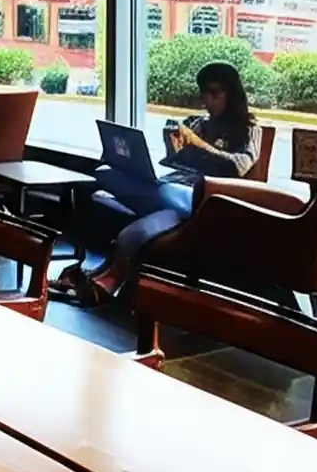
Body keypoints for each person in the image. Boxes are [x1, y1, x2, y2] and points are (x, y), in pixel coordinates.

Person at [53, 61, 262, 303]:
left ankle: (96, 277)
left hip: (203, 199)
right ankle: (103, 281)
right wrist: (172, 145)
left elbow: (240, 166)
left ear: (232, 93)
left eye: (214, 93)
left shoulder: (248, 128)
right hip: (175, 198)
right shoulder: (198, 123)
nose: (207, 100)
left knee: (163, 193)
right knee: (105, 174)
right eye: (204, 93)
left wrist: (199, 145)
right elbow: (175, 162)